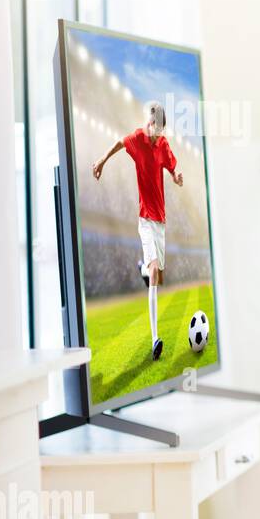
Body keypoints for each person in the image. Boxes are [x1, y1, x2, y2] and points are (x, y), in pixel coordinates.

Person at [91, 101, 184, 361]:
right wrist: (101, 160)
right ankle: (156, 339)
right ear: (151, 123)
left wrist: (176, 177)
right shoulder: (138, 138)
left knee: (157, 275)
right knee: (156, 272)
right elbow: (120, 143)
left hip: (161, 221)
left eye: (162, 131)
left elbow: (173, 167)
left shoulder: (163, 144)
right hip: (145, 218)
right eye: (157, 129)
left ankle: (143, 268)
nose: (158, 135)